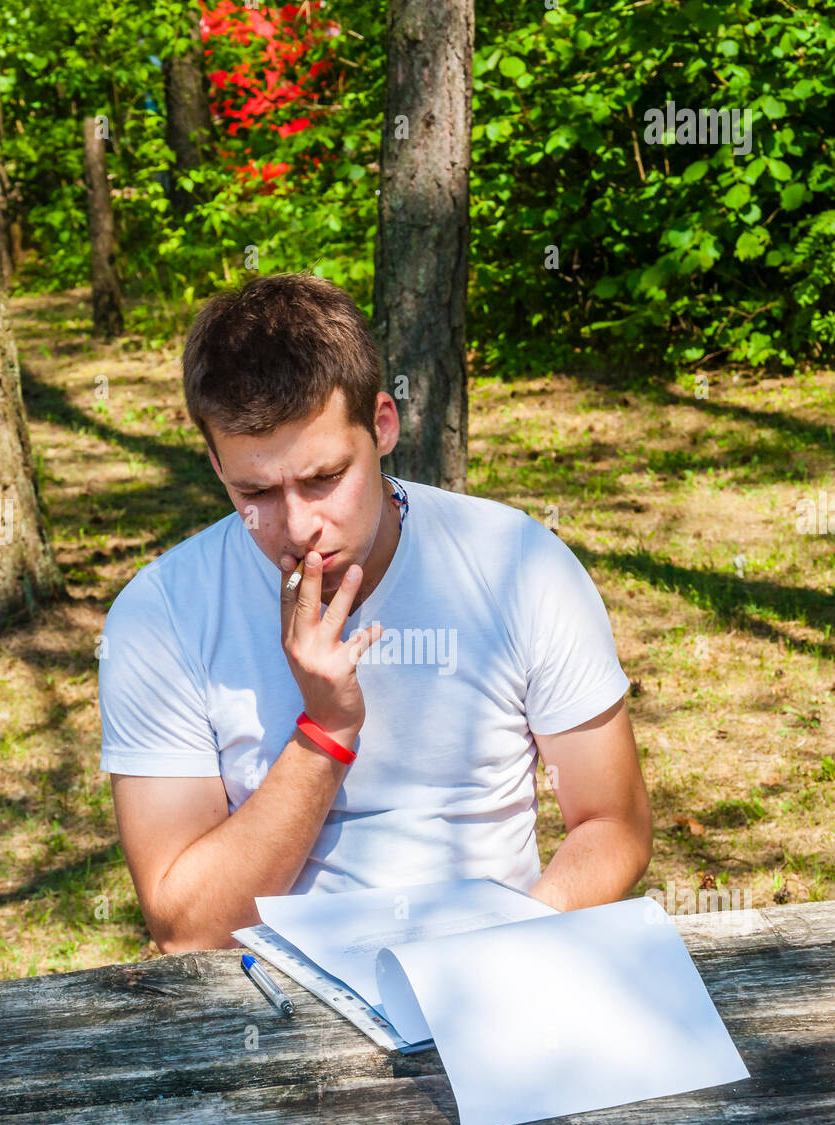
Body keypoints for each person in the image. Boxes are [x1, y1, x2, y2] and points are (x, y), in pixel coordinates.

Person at [98, 273, 652, 953]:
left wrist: (510, 952)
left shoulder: (517, 564)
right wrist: (325, 732)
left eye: (324, 478)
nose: (299, 525)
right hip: (269, 1006)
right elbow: (187, 929)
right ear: (214, 463)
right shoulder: (159, 617)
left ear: (382, 425)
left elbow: (611, 823)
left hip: (495, 973)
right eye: (255, 492)